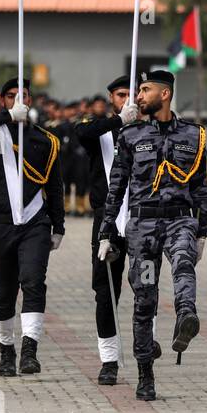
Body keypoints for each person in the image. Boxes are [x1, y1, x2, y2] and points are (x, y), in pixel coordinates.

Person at [98, 70, 207, 401]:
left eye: (145, 90)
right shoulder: (130, 135)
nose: (138, 97)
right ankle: (146, 373)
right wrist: (106, 231)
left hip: (179, 220)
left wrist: (202, 230)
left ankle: (186, 315)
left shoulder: (194, 135)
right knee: (144, 299)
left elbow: (200, 185)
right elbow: (116, 185)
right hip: (143, 227)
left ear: (165, 94)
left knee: (183, 263)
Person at [0, 79, 65, 376]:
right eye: (11, 96)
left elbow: (54, 185)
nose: (16, 100)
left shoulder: (45, 140)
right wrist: (9, 116)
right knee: (3, 292)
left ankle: (30, 351)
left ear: (30, 100)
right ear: (2, 100)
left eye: (22, 96)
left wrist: (58, 225)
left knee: (33, 283)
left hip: (35, 223)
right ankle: (6, 351)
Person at [74, 76, 145, 385]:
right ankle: (109, 360)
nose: (129, 99)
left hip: (143, 220)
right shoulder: (100, 128)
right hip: (108, 222)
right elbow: (80, 133)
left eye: (134, 93)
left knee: (146, 289)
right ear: (111, 98)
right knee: (106, 292)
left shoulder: (151, 130)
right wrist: (118, 120)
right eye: (121, 94)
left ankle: (146, 349)